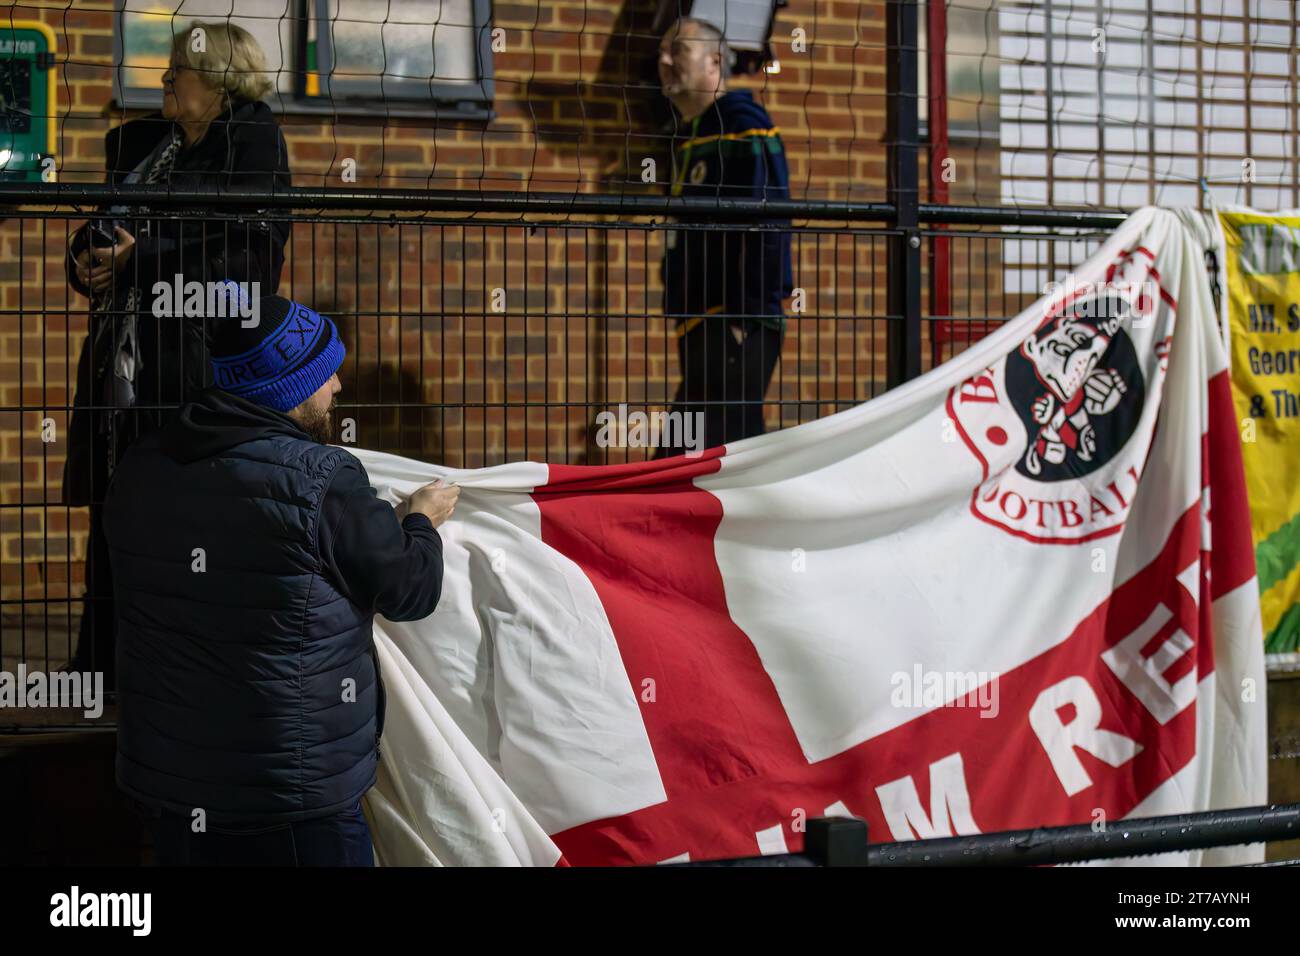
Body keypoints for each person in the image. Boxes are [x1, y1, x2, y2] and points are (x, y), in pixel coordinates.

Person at [103, 294, 460, 866]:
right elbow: (411, 590)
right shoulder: (323, 480)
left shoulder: (142, 468)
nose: (339, 385)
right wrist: (421, 521)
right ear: (289, 386)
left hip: (173, 788)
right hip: (291, 797)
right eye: (326, 373)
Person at [64, 21, 292, 685]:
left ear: (222, 83)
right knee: (115, 506)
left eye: (177, 70)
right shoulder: (150, 146)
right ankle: (99, 666)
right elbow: (109, 225)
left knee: (183, 513)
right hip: (124, 359)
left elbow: (242, 264)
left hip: (189, 366)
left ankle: (179, 673)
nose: (164, 80)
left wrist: (138, 267)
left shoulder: (249, 142)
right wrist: (90, 260)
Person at [655, 17, 793, 457]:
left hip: (736, 319)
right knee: (713, 448)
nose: (663, 60)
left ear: (714, 60)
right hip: (700, 317)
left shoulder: (741, 121)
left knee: (710, 451)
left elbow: (767, 222)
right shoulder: (688, 137)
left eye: (677, 50)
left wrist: (744, 314)